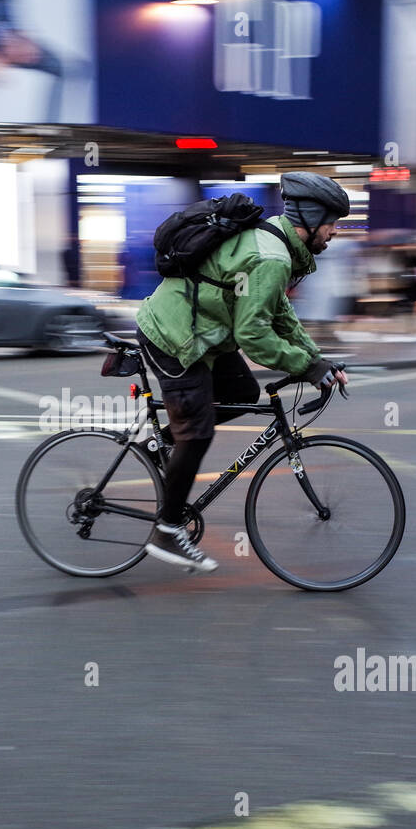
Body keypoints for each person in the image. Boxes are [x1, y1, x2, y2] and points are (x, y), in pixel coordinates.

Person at [134, 172, 351, 572]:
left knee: (242, 392)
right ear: (311, 217)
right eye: (333, 223)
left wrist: (317, 358)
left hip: (205, 335)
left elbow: (278, 313)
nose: (335, 232)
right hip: (172, 335)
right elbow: (252, 335)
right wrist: (307, 367)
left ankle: (158, 446)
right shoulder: (271, 256)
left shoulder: (275, 243)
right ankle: (166, 530)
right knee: (197, 432)